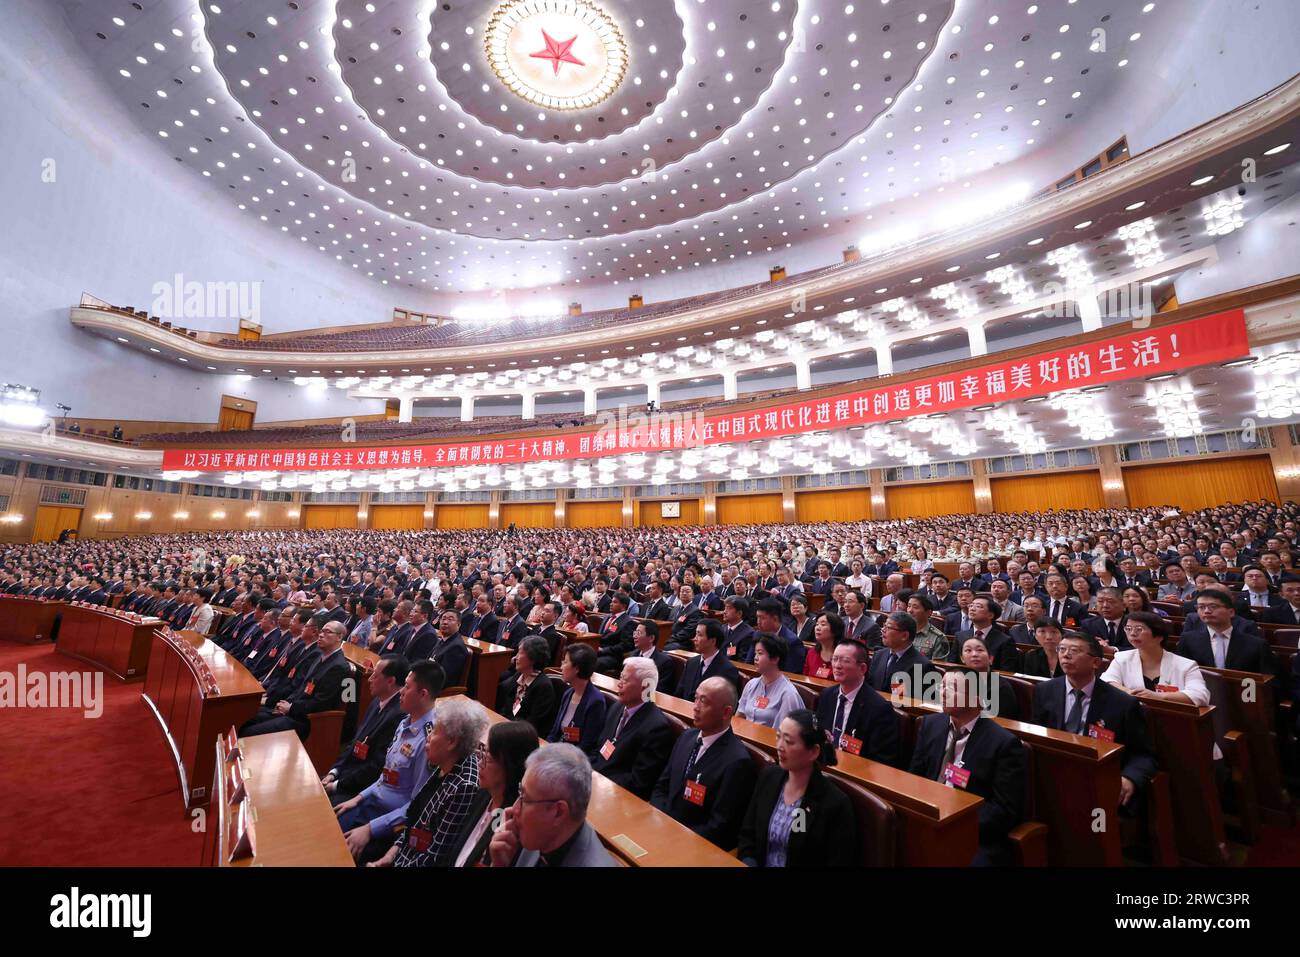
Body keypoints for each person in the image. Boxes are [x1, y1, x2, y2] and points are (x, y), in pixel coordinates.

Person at [332, 659, 446, 860]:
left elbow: (417, 806)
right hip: (372, 803)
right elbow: (386, 775)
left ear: (423, 694)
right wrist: (359, 798)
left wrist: (370, 829)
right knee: (328, 823)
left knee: (338, 851)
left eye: (407, 687)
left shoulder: (429, 740)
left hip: (391, 823)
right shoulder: (404, 723)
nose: (401, 691)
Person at [909, 670, 1026, 865]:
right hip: (927, 817)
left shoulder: (1003, 743)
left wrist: (956, 824)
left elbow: (1003, 810)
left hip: (973, 832)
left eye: (953, 688)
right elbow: (915, 777)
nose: (943, 692)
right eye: (942, 686)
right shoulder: (929, 724)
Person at [1031, 634, 1156, 809]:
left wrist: (1129, 778)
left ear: (1096, 663)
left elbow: (1143, 754)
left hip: (1098, 775)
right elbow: (1036, 734)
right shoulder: (1045, 690)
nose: (1065, 655)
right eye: (1062, 649)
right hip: (1054, 772)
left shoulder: (1123, 704)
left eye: (1075, 650)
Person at [370, 698, 489, 867]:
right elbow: (416, 818)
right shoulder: (443, 762)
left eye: (433, 732)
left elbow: (435, 857)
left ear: (451, 742)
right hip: (403, 852)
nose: (427, 737)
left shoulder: (464, 788)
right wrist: (390, 855)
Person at [737, 710, 857, 867]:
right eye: (778, 737)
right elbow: (748, 834)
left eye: (789, 742)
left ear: (813, 752)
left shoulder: (834, 803)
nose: (779, 747)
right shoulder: (769, 777)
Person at [650, 677, 756, 849]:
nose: (696, 707)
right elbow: (662, 785)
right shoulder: (687, 737)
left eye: (704, 702)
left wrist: (675, 836)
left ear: (726, 712)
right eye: (696, 698)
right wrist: (659, 818)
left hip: (692, 845)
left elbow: (719, 826)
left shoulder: (737, 761)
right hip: (661, 827)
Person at [489, 743, 616, 867]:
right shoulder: (536, 834)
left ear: (558, 812)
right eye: (520, 791)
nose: (514, 809)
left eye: (525, 799)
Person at [447, 720, 539, 867]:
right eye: (482, 753)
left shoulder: (512, 821)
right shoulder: (481, 795)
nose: (479, 764)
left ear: (510, 766)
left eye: (488, 758)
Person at [239, 620, 351, 740]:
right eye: (321, 631)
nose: (321, 635)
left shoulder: (338, 666)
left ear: (339, 637)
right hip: (292, 709)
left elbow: (321, 703)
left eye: (327, 632)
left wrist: (291, 708)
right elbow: (301, 688)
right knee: (244, 716)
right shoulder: (320, 657)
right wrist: (283, 704)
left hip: (305, 720)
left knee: (248, 732)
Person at [323, 655, 410, 803]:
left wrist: (336, 785)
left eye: (375, 676)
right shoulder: (377, 701)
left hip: (361, 790)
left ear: (390, 681)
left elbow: (376, 768)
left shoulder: (399, 716)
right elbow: (354, 742)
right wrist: (334, 772)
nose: (369, 679)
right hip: (345, 775)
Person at [589, 656, 674, 798]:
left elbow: (639, 781)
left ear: (646, 686)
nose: (619, 684)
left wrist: (600, 783)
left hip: (617, 795)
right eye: (620, 677)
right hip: (595, 781)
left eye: (625, 680)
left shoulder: (656, 728)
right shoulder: (617, 707)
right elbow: (598, 748)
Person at [814, 639, 899, 764]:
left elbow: (881, 760)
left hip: (856, 772)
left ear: (863, 668)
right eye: (835, 659)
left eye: (845, 661)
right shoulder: (827, 695)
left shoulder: (879, 708)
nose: (837, 665)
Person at [1102, 611, 1210, 706]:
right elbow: (1106, 681)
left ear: (1159, 636)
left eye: (1139, 629)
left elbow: (1201, 695)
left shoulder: (1186, 665)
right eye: (1128, 629)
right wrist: (1128, 692)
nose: (1132, 634)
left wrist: (1159, 697)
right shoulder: (1122, 658)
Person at [1176, 590, 1278, 674]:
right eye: (1201, 607)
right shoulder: (1188, 640)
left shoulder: (1256, 644)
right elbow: (1180, 672)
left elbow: (1268, 679)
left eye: (1213, 606)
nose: (1206, 611)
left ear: (1231, 612)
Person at [547, 642, 609, 755]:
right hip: (557, 751)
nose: (561, 667)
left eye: (565, 662)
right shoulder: (568, 693)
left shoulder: (595, 701)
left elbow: (587, 745)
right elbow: (555, 732)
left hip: (574, 758)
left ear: (576, 669)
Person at [495, 635, 558, 736]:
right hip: (508, 730)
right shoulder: (518, 676)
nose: (516, 657)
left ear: (533, 658)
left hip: (524, 736)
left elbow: (533, 724)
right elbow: (506, 707)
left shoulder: (543, 686)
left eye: (520, 653)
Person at [737, 634, 804, 729]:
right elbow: (739, 716)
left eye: (760, 653)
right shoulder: (751, 684)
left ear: (775, 659)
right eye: (755, 653)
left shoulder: (788, 694)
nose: (755, 658)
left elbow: (785, 733)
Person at [867, 611, 937, 696]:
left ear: (904, 636)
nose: (883, 630)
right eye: (884, 626)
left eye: (888, 627)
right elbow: (869, 687)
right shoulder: (878, 655)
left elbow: (917, 703)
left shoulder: (922, 666)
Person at [956, 633, 1020, 719]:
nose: (974, 654)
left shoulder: (1001, 687)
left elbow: (1003, 723)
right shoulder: (957, 681)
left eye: (979, 650)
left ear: (990, 658)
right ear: (962, 658)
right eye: (968, 650)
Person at [678, 617, 742, 701]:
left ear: (712, 641)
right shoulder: (691, 662)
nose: (694, 639)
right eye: (696, 634)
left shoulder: (728, 670)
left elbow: (723, 703)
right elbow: (679, 693)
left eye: (699, 635)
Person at [626, 619, 678, 697]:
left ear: (651, 638)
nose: (634, 636)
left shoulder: (664, 662)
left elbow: (660, 691)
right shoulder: (632, 655)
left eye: (639, 633)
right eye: (635, 632)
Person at [803, 611, 842, 679]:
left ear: (835, 629)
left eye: (823, 624)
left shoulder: (843, 655)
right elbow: (805, 677)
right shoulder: (812, 652)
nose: (817, 628)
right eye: (817, 624)